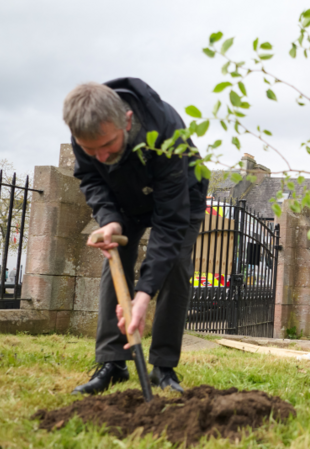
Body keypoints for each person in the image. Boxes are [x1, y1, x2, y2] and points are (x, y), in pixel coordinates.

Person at [63, 78, 208, 395]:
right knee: (114, 258)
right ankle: (113, 362)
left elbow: (170, 222)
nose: (101, 156)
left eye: (108, 145)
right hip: (124, 197)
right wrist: (110, 221)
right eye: (90, 149)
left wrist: (142, 297)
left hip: (182, 195)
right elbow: (90, 177)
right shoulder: (83, 129)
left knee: (175, 265)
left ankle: (163, 367)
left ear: (126, 121)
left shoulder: (166, 132)